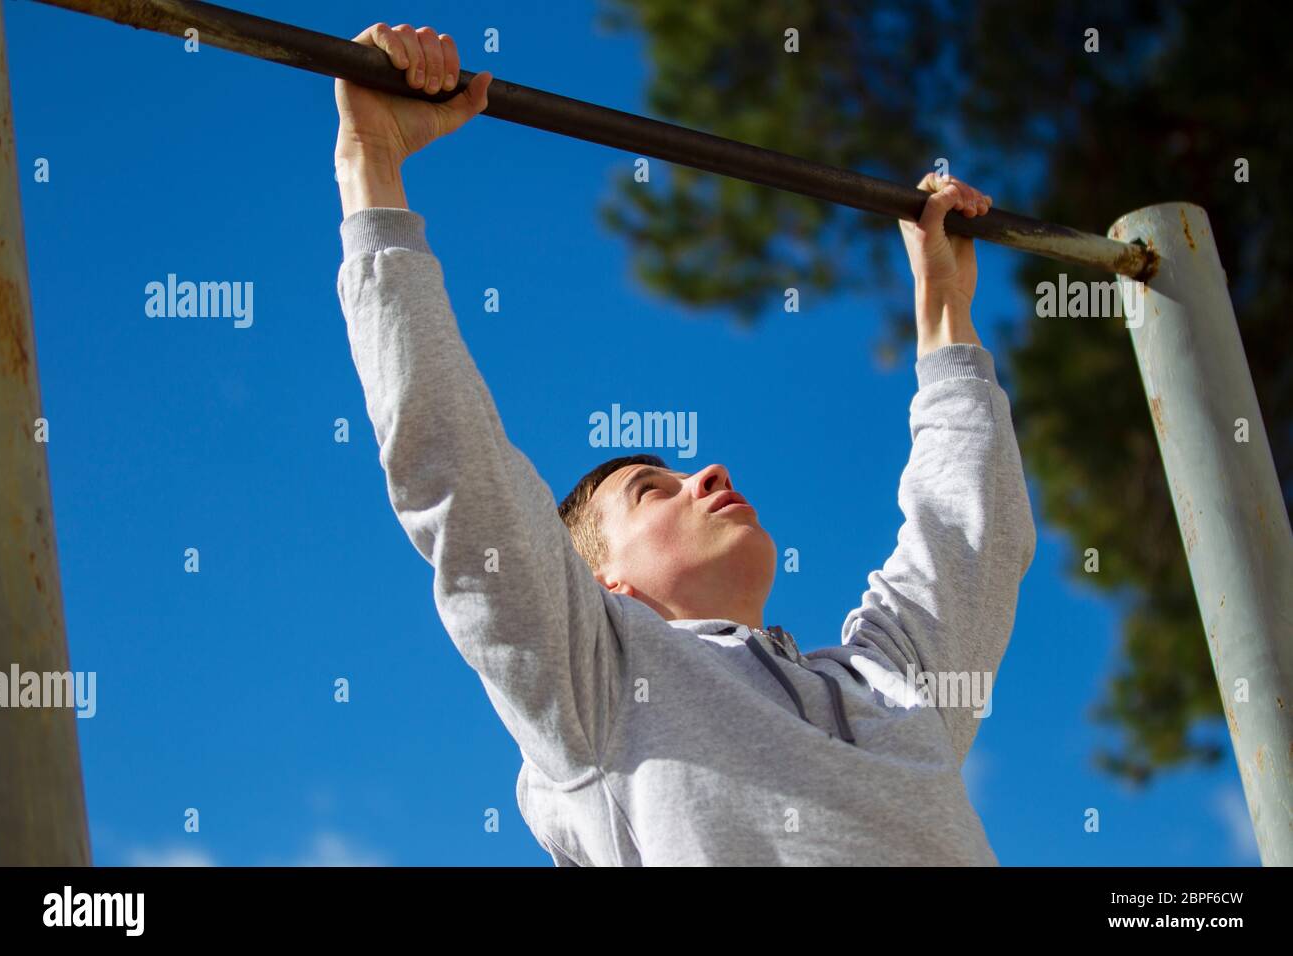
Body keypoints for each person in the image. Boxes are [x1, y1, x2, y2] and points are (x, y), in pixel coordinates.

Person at [333, 22, 1036, 865]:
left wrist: (944, 306)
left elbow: (969, 531)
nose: (707, 473)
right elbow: (455, 462)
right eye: (651, 490)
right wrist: (371, 164)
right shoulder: (596, 685)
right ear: (605, 583)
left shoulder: (892, 684)